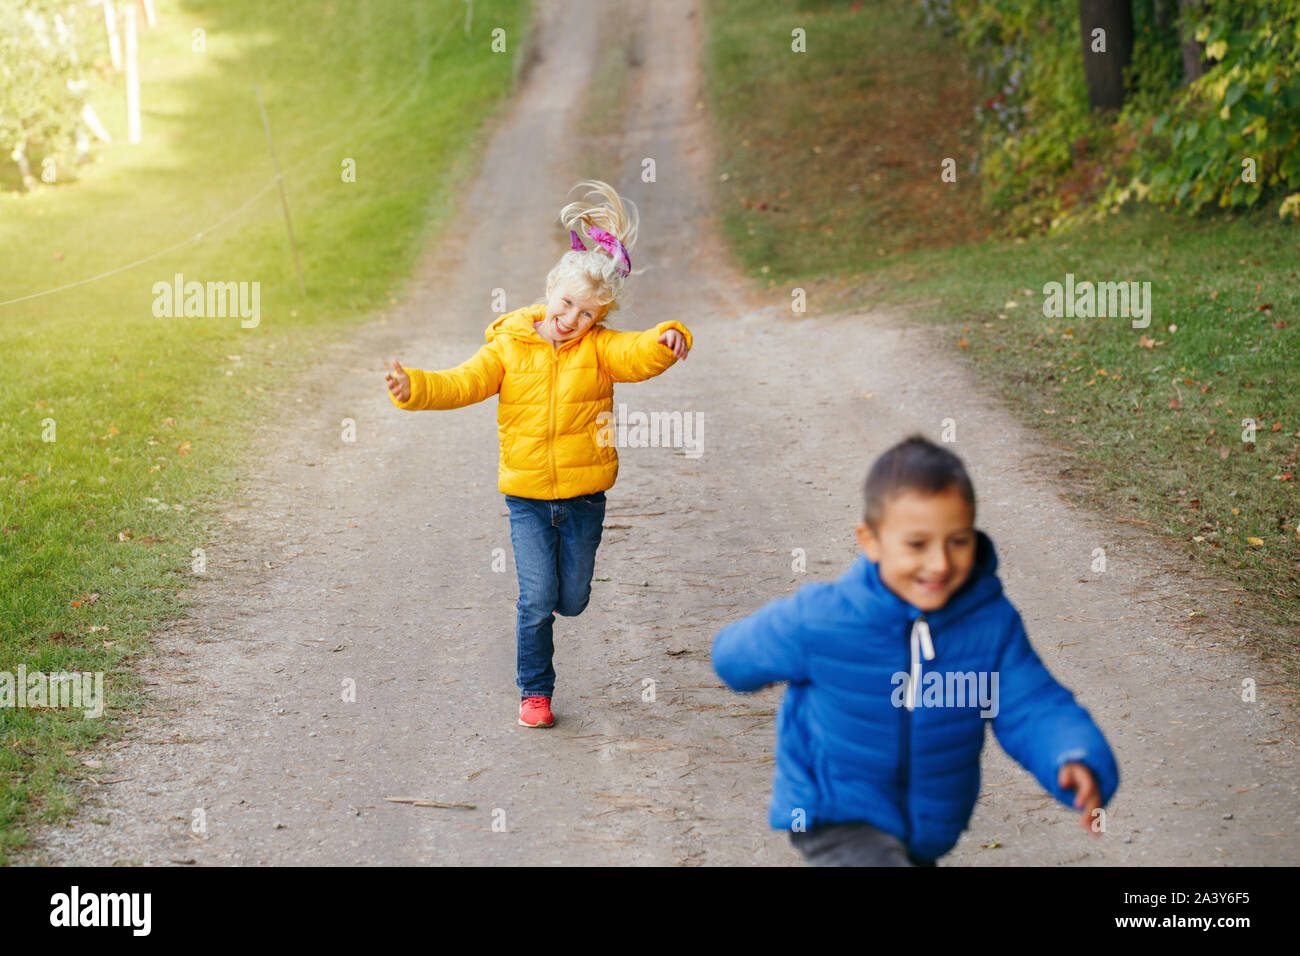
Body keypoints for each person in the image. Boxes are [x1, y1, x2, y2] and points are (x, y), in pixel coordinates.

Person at [711, 435, 1119, 865]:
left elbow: (1033, 704)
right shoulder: (822, 618)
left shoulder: (989, 624)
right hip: (836, 815)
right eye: (917, 544)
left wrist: (1072, 754)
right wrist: (753, 659)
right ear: (871, 541)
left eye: (958, 541)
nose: (940, 563)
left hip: (927, 828)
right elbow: (733, 657)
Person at [386, 180, 691, 728]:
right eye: (566, 303)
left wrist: (667, 337)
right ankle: (536, 692)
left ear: (598, 321)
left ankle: (556, 600)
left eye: (586, 315)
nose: (571, 318)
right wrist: (417, 388)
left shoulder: (599, 349)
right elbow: (463, 382)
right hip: (526, 496)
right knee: (535, 599)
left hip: (583, 497)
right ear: (550, 290)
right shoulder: (508, 344)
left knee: (571, 600)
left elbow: (636, 350)